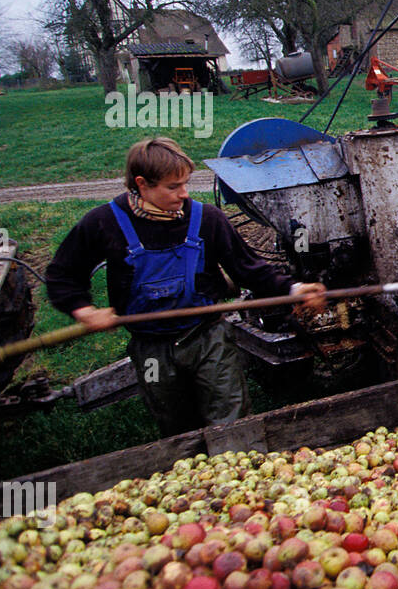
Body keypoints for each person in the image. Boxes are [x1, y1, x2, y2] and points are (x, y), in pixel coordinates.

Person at [45, 138, 326, 436]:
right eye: (172, 187)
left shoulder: (207, 220)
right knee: (176, 427)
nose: (184, 194)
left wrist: (293, 290)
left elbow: (250, 269)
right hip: (151, 349)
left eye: (186, 183)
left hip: (207, 339)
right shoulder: (104, 223)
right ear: (142, 184)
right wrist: (85, 311)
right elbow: (63, 274)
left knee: (232, 423)